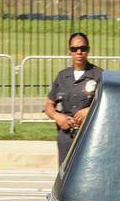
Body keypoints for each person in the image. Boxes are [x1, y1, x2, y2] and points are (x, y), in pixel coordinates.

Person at [44, 32, 103, 166]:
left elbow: (107, 103)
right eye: (74, 49)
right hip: (66, 135)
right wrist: (57, 116)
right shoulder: (63, 76)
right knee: (65, 173)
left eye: (83, 48)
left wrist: (89, 110)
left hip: (89, 135)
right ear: (70, 51)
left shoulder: (99, 75)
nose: (79, 52)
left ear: (88, 50)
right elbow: (49, 104)